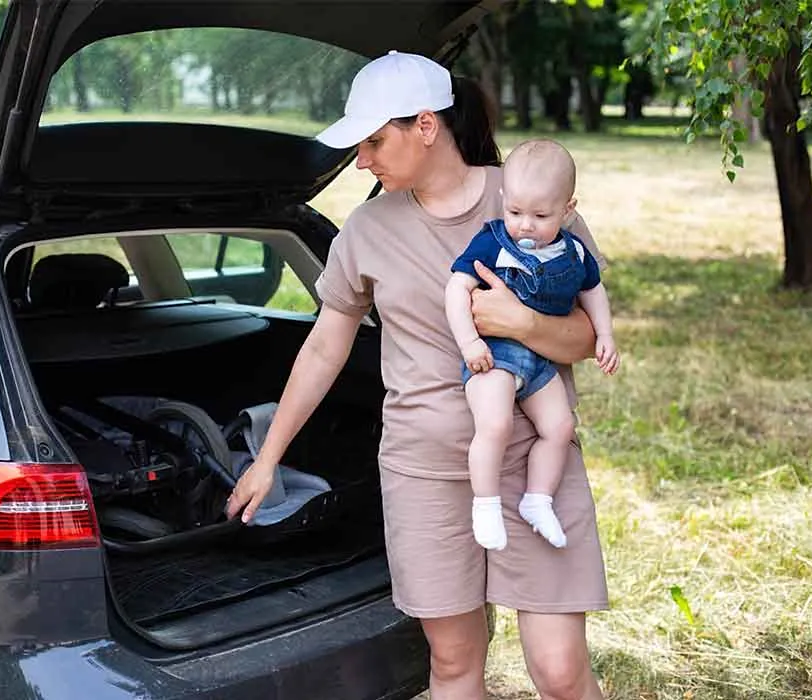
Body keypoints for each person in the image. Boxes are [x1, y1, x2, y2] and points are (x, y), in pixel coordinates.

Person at [226, 50, 608, 700]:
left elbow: (587, 337)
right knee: (455, 667)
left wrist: (519, 322)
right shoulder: (367, 231)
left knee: (560, 670)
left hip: (529, 470)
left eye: (375, 142)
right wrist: (268, 457)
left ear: (425, 126)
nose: (363, 161)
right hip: (423, 478)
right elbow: (323, 349)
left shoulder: (524, 200)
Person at [445, 138, 620, 552]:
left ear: (568, 210)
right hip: (494, 355)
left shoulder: (574, 251)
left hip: (541, 362)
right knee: (496, 424)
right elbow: (456, 289)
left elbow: (594, 292)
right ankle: (485, 505)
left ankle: (537, 500)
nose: (524, 225)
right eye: (515, 212)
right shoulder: (492, 243)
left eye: (541, 215)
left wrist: (606, 335)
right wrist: (469, 342)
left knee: (560, 427)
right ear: (503, 200)